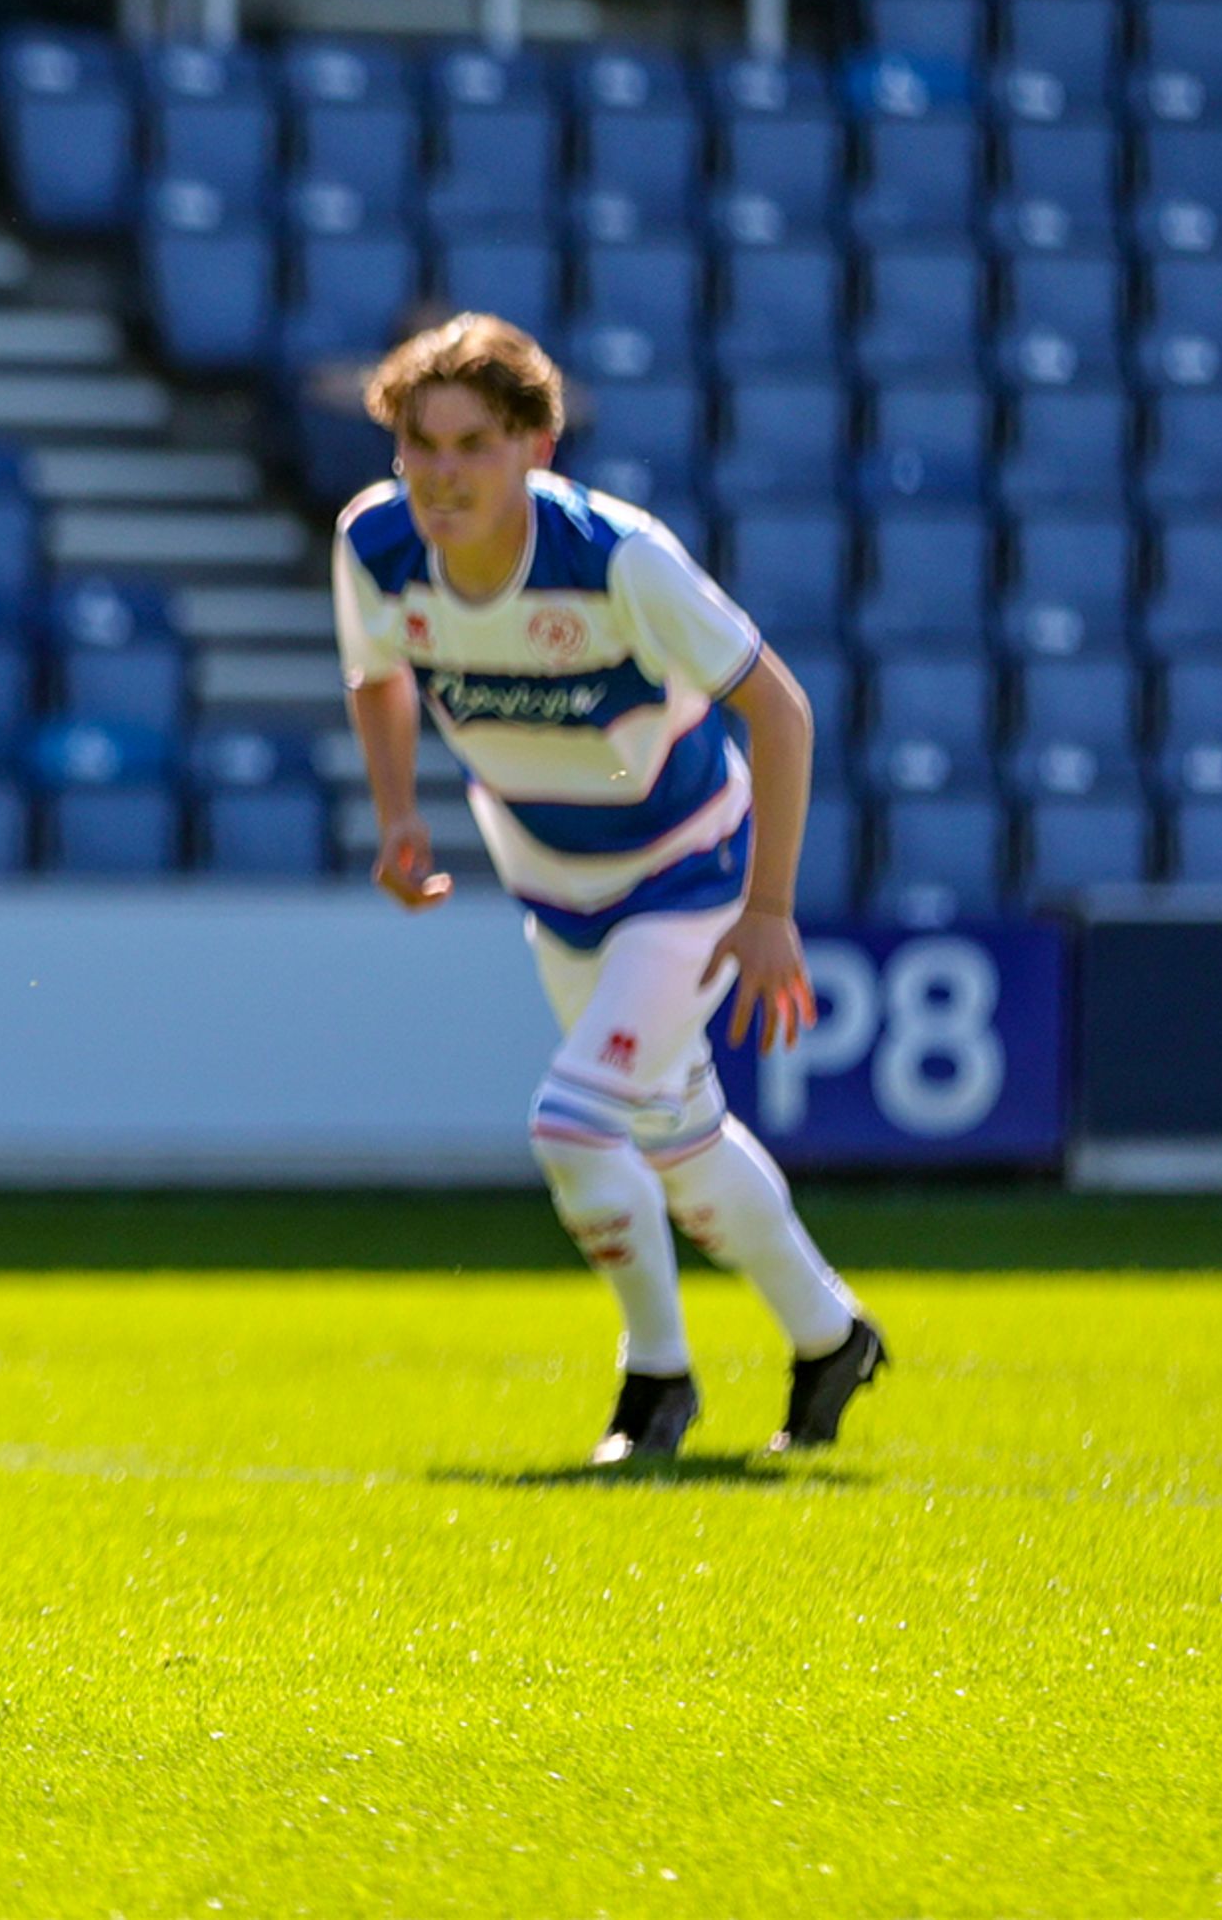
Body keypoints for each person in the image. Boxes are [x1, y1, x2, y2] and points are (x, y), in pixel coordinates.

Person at [332, 313, 886, 1465]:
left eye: (471, 443)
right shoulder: (374, 544)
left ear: (535, 446)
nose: (440, 473)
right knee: (678, 1140)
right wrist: (396, 813)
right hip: (552, 882)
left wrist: (768, 909)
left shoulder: (616, 558)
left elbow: (776, 708)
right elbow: (376, 671)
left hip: (683, 870)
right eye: (418, 444)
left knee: (572, 1123)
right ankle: (829, 1333)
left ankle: (654, 1383)